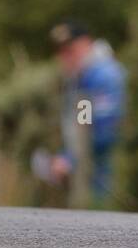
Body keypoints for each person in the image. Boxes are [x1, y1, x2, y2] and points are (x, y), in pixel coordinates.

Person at [48, 21, 127, 203]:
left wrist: (69, 158)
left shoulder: (102, 76)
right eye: (61, 51)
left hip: (104, 172)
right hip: (93, 169)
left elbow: (98, 127)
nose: (65, 57)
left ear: (86, 43)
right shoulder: (82, 76)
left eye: (70, 50)